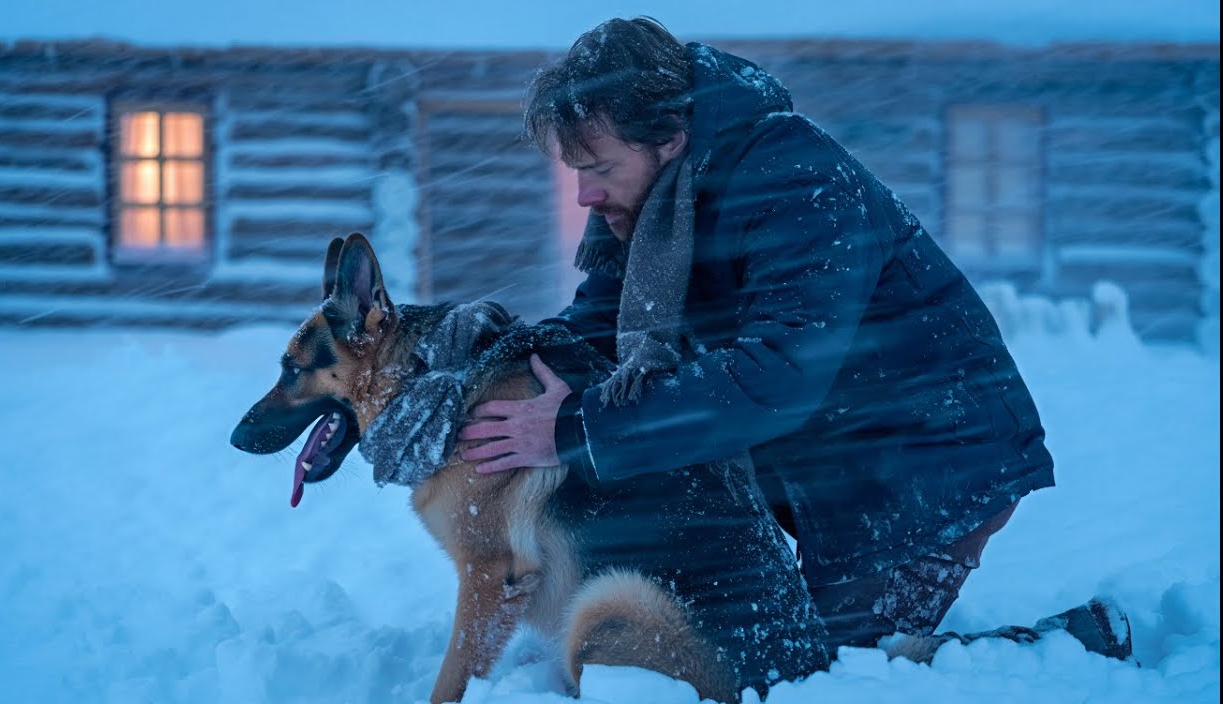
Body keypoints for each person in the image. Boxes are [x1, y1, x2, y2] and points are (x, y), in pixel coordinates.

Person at [457, 17, 1130, 662]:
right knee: (765, 647)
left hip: (929, 460)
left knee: (826, 668)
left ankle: (1070, 647)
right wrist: (474, 373)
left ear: (668, 137)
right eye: (575, 170)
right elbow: (595, 328)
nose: (583, 195)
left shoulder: (796, 182)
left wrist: (577, 428)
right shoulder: (651, 209)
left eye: (597, 166)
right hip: (834, 463)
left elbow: (778, 374)